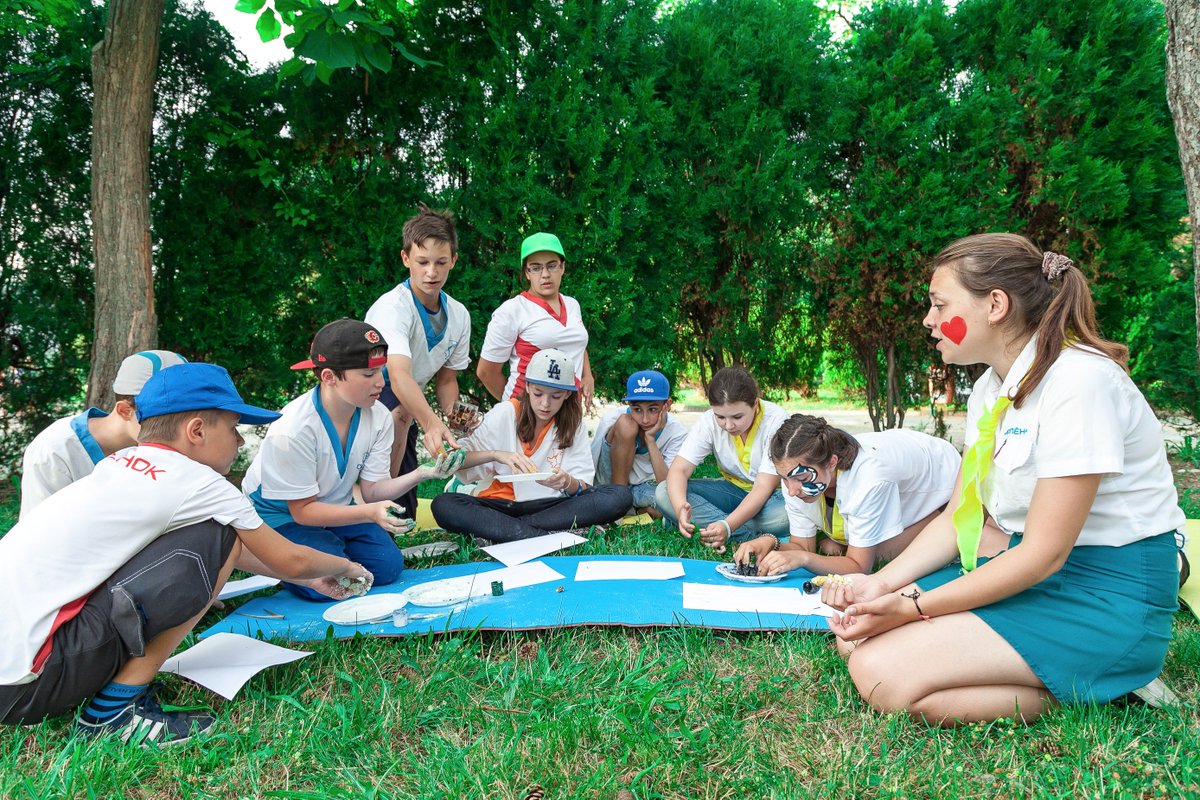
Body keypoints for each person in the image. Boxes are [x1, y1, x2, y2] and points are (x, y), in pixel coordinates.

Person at [822, 233, 1185, 726]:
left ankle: (1107, 680)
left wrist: (913, 607)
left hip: (1106, 595)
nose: (929, 320)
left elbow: (1044, 553)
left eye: (938, 304)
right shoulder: (990, 389)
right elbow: (957, 518)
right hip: (1037, 575)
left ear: (995, 304)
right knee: (856, 637)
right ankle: (1067, 672)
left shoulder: (1079, 382)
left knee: (880, 673)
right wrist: (880, 584)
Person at [0, 362, 373, 743]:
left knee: (219, 539)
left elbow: (236, 556)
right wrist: (344, 566)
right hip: (34, 678)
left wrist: (307, 576)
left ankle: (111, 694)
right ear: (196, 430)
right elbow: (283, 556)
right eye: (233, 429)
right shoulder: (199, 482)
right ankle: (111, 713)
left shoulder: (117, 465)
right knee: (220, 536)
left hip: (11, 677)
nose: (241, 442)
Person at [242, 319, 453, 601]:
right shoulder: (292, 429)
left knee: (387, 568)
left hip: (334, 508)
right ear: (329, 377)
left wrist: (423, 473)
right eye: (368, 374)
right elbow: (303, 512)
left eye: (381, 371)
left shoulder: (377, 416)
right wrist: (368, 512)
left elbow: (373, 490)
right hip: (280, 517)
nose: (381, 382)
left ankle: (325, 547)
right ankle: (283, 556)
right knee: (331, 586)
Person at [432, 349, 631, 542]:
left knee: (619, 496)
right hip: (501, 505)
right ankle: (544, 535)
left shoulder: (573, 422)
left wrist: (567, 482)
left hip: (550, 507)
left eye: (555, 396)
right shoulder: (505, 412)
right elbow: (454, 460)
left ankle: (510, 531)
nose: (545, 404)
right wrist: (495, 454)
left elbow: (582, 486)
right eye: (538, 393)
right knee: (443, 504)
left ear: (567, 395)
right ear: (527, 387)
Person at [733, 415, 960, 576]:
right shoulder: (794, 477)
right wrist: (770, 543)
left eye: (801, 480)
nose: (791, 491)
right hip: (901, 465)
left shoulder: (870, 479)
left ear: (832, 462)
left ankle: (939, 516)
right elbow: (804, 547)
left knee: (882, 554)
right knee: (830, 550)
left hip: (945, 481)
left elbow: (860, 568)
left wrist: (804, 559)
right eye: (783, 478)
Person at [364, 205, 472, 518]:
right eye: (422, 262)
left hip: (411, 406)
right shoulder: (393, 308)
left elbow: (447, 380)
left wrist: (453, 423)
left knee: (406, 513)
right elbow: (398, 378)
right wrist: (431, 422)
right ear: (405, 259)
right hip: (373, 398)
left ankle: (389, 506)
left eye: (440, 262)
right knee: (399, 412)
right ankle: (372, 508)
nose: (431, 272)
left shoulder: (460, 315)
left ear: (453, 260)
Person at [20, 350, 188, 518]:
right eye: (163, 417)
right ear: (124, 411)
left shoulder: (160, 447)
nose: (177, 429)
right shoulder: (55, 451)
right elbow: (39, 532)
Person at [655, 366, 805, 553]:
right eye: (720, 417)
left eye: (737, 416)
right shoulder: (708, 422)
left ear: (755, 404)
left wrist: (727, 525)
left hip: (771, 498)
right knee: (663, 491)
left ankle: (715, 528)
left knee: (786, 516)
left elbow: (763, 487)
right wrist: (679, 509)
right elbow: (679, 470)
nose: (728, 425)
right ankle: (751, 536)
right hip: (733, 492)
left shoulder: (776, 420)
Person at [476, 232, 595, 408]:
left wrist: (587, 375)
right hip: (525, 416)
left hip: (568, 413)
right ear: (527, 273)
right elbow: (486, 372)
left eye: (552, 266)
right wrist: (518, 407)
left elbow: (576, 343)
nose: (545, 274)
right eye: (536, 267)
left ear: (562, 267)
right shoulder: (512, 311)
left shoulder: (572, 305)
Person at [591, 369, 688, 517]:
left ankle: (634, 510)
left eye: (653, 409)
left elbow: (666, 485)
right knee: (626, 424)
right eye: (637, 409)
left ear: (667, 405)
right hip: (610, 483)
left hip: (644, 486)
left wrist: (650, 440)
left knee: (676, 506)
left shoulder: (677, 432)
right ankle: (618, 502)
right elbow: (594, 464)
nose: (644, 419)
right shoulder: (613, 418)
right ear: (629, 404)